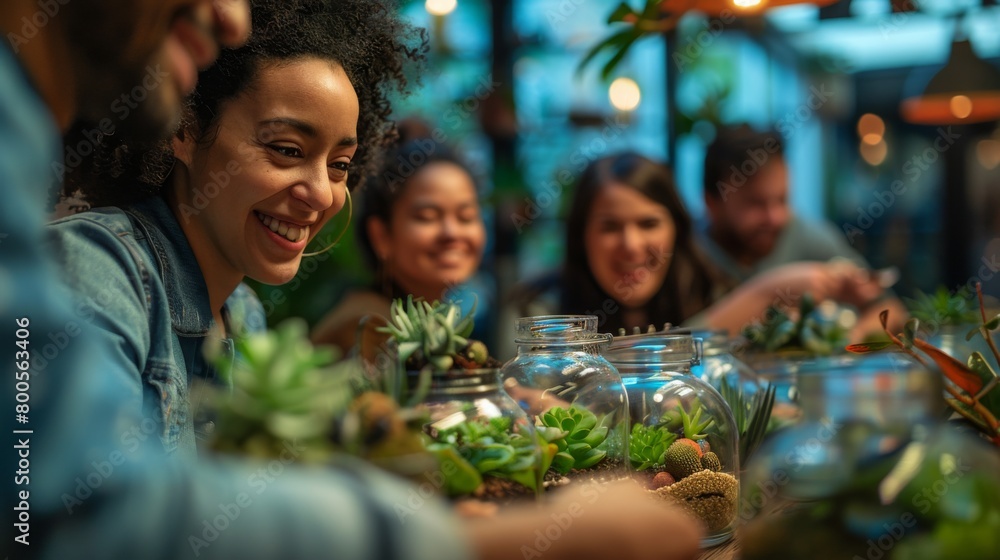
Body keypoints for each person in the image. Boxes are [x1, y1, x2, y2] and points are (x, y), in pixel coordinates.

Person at [13, 2, 703, 560]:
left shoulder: (244, 315)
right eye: (286, 150)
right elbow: (75, 521)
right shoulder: (95, 271)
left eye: (339, 165)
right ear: (186, 132)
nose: (318, 192)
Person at [513, 152, 896, 338]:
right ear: (581, 235)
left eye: (648, 223)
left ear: (677, 230)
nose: (630, 245)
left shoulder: (709, 288)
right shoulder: (538, 313)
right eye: (610, 227)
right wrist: (763, 292)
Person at [700, 124, 906, 334]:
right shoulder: (686, 256)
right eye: (755, 204)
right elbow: (677, 344)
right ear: (711, 203)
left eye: (782, 200)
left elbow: (891, 309)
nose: (776, 217)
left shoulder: (805, 236)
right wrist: (772, 290)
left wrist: (847, 344)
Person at [312, 139, 487, 354]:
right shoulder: (367, 327)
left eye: (466, 217)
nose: (451, 233)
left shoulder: (427, 325)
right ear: (381, 235)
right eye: (427, 217)